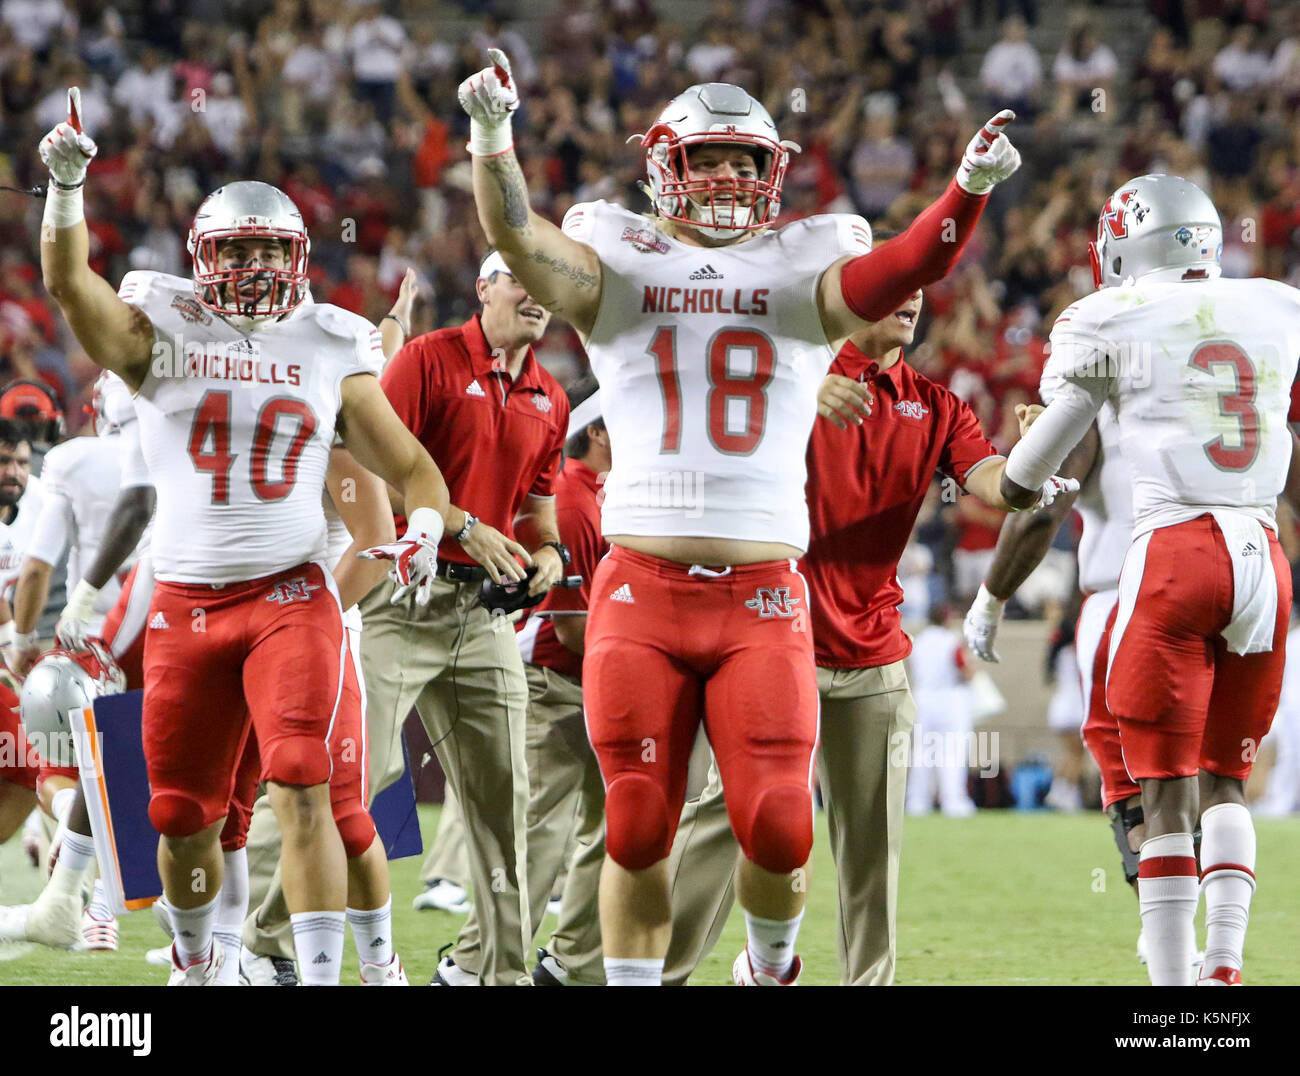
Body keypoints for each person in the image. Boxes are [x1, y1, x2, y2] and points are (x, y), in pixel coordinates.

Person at [459, 48, 1025, 983]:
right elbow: (516, 239)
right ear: (662, 166)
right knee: (637, 822)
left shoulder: (806, 271)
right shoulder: (618, 260)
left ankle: (768, 968)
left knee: (776, 822)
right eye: (709, 158)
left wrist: (967, 187)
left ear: (776, 174)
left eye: (746, 162)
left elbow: (908, 264)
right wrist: (492, 137)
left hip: (762, 592)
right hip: (642, 585)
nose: (727, 178)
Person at [36, 88, 455, 985]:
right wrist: (66, 189)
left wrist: (423, 527)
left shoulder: (328, 342)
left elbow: (415, 467)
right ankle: (199, 964)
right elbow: (70, 284)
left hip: (290, 590)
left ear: (299, 258)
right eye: (241, 249)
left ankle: (319, 973)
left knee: (304, 778)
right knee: (182, 814)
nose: (259, 264)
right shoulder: (163, 325)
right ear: (204, 259)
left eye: (272, 248)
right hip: (187, 601)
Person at [547, 288, 1070, 986]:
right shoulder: (784, 375)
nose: (910, 301)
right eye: (893, 288)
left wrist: (1036, 450)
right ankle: (647, 974)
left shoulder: (936, 405)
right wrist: (791, 395)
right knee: (720, 826)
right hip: (763, 637)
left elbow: (999, 488)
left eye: (917, 292)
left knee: (870, 857)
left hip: (872, 653)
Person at [997, 173, 1300, 986]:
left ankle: (1172, 997)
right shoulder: (1278, 303)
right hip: (1264, 556)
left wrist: (1018, 476)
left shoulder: (1106, 315)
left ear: (1127, 244)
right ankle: (1226, 969)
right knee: (1228, 778)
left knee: (1164, 792)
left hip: (1175, 553)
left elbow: (1032, 472)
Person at [363, 249, 570, 986]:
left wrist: (550, 562)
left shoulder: (551, 395)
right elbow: (374, 471)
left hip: (483, 618)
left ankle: (502, 972)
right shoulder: (425, 360)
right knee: (354, 778)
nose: (535, 295)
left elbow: (541, 515)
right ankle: (265, 942)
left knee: (503, 803)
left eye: (544, 284)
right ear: (483, 287)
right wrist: (463, 524)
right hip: (400, 596)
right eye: (519, 278)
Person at [519, 388, 609, 983]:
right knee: (541, 832)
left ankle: (574, 960)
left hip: (582, 679)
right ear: (598, 432)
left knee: (617, 828)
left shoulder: (592, 493)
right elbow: (573, 625)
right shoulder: (574, 502)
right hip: (559, 681)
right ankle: (491, 959)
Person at [0, 420, 45, 850]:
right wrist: (17, 642)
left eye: (21, 462)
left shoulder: (40, 504)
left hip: (7, 651)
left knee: (31, 763)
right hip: (7, 647)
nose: (13, 471)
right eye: (3, 461)